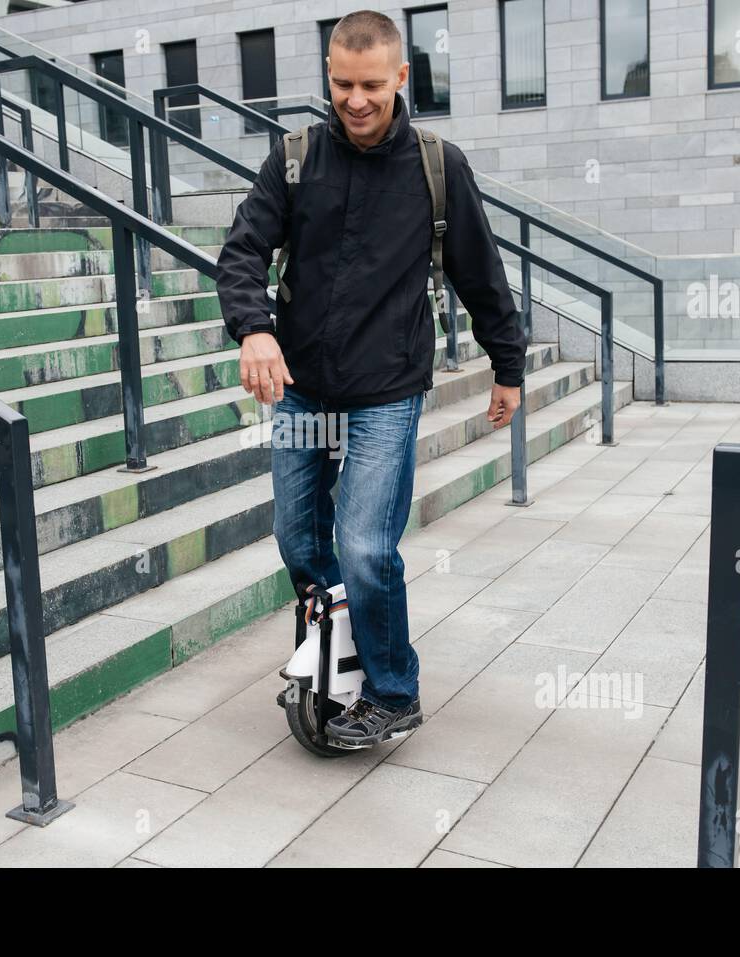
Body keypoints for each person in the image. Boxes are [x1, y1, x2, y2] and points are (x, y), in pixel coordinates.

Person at [215, 9, 526, 748]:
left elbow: (481, 273)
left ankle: (393, 688)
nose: (355, 100)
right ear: (329, 76)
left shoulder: (436, 165)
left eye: (371, 86)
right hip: (302, 385)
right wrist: (253, 327)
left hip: (386, 388)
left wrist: (506, 366)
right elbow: (242, 251)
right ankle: (333, 654)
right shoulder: (294, 158)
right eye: (342, 84)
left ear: (400, 78)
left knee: (362, 545)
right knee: (299, 540)